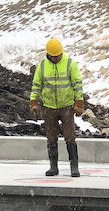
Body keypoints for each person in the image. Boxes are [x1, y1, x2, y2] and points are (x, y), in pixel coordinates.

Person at [30, 37, 84, 177]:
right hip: (49, 107)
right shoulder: (42, 66)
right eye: (54, 56)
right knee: (51, 137)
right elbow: (36, 85)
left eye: (58, 55)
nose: (56, 58)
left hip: (66, 106)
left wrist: (79, 104)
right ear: (49, 55)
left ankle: (74, 167)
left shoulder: (70, 64)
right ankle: (53, 167)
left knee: (70, 137)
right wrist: (33, 102)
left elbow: (77, 83)